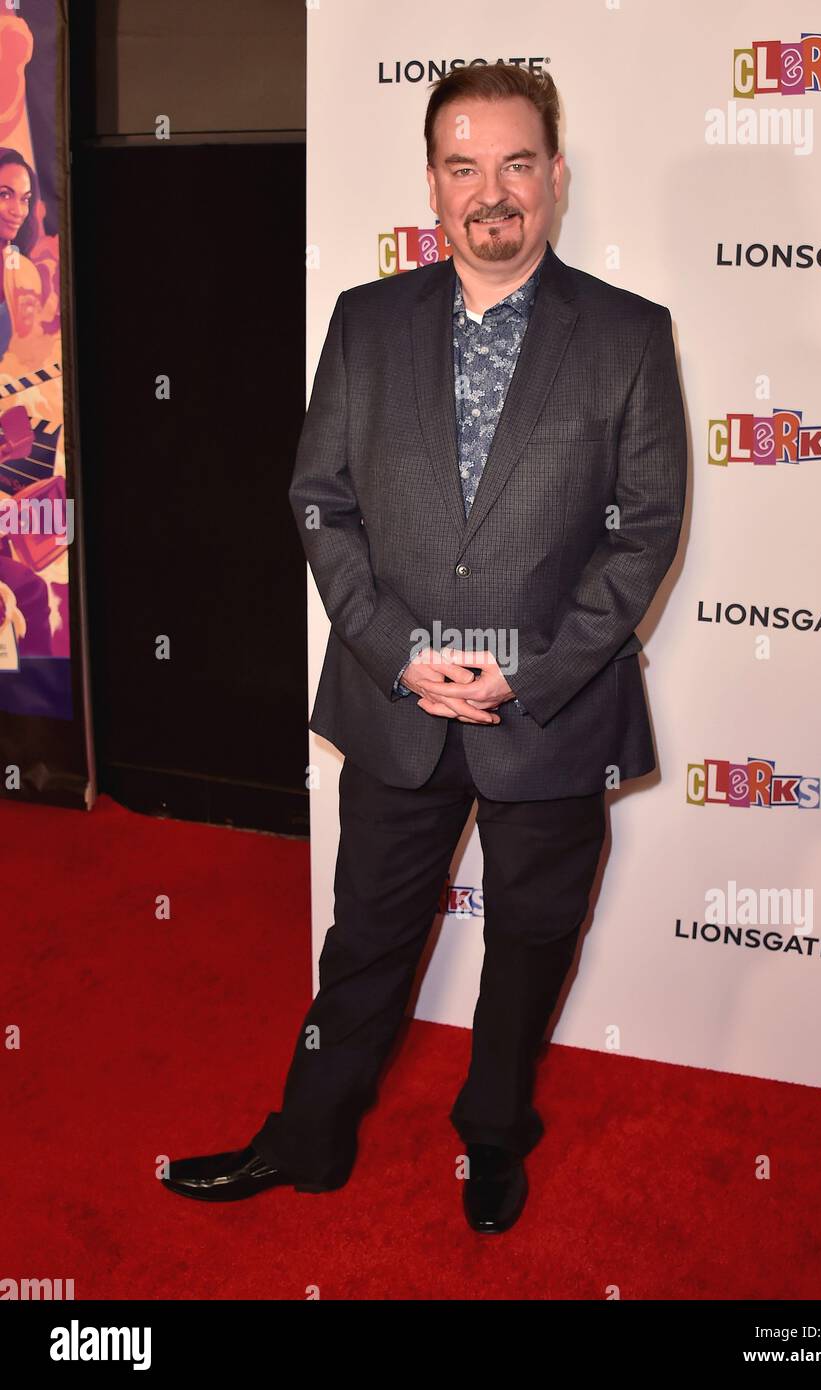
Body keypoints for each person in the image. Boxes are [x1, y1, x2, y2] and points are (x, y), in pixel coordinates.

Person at [161, 64, 687, 1233]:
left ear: (555, 175)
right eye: (464, 166)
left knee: (530, 944)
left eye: (514, 163)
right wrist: (398, 649)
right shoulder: (364, 318)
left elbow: (645, 531)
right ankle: (308, 1136)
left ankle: (494, 1134)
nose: (491, 192)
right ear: (433, 185)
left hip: (550, 706)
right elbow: (319, 499)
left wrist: (536, 669)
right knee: (365, 938)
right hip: (394, 697)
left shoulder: (627, 336)